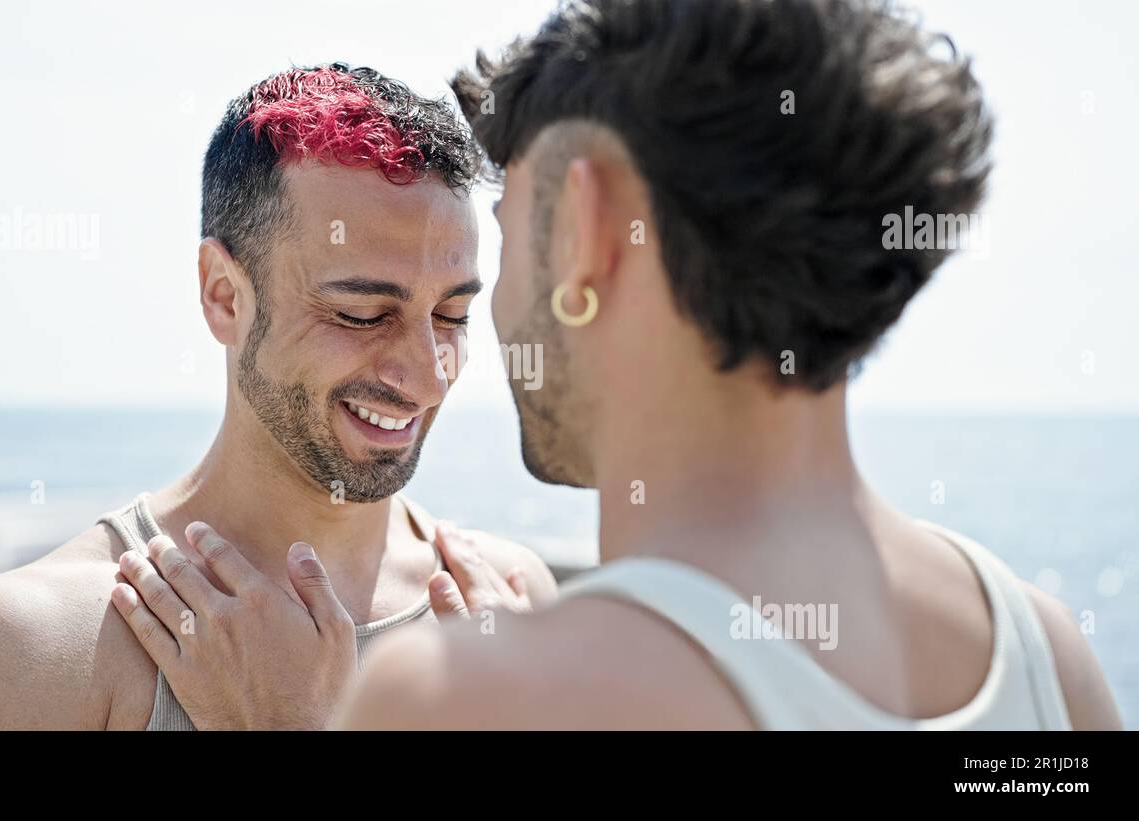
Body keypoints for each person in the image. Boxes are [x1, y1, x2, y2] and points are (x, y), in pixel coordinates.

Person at [112, 0, 1122, 730]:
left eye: (501, 247)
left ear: (586, 228)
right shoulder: (1047, 654)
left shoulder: (466, 697)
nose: (437, 356)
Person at [0, 63, 556, 731]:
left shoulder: (509, 605)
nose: (427, 374)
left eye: (451, 316)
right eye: (363, 314)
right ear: (224, 295)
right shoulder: (28, 648)